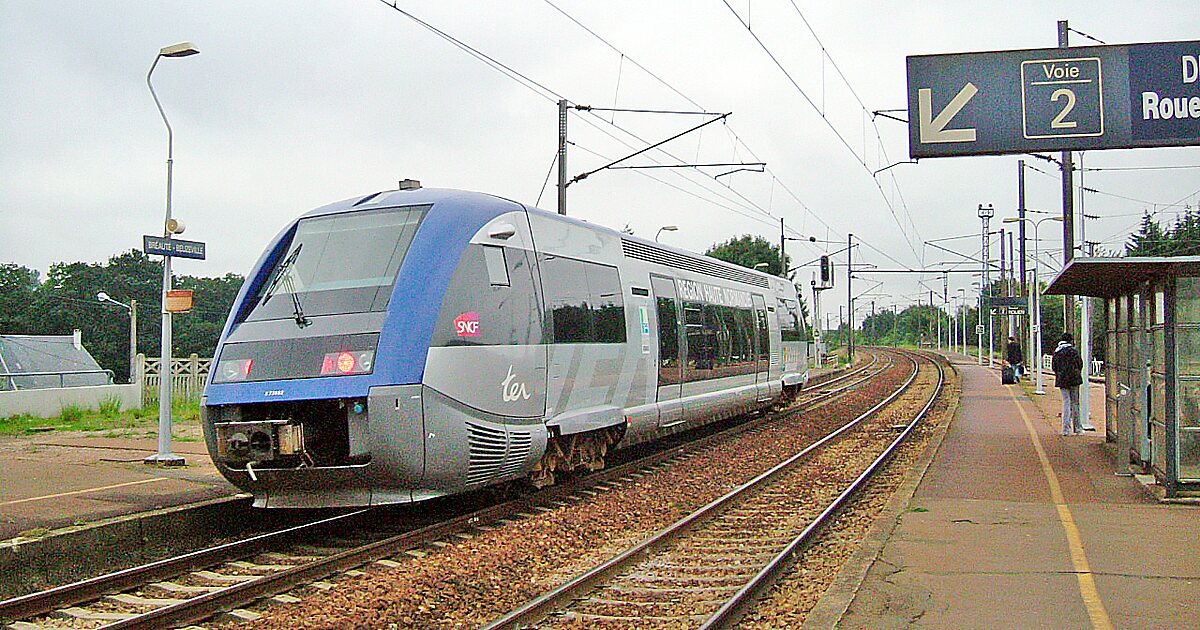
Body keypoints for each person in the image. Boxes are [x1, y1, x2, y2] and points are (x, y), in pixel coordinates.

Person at [1052, 333, 1084, 435]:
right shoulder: (1074, 351)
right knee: (1075, 403)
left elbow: (1054, 367)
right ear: (1070, 341)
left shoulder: (1057, 352)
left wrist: (1060, 374)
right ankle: (1078, 428)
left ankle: (1066, 429)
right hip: (1074, 379)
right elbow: (1080, 364)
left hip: (1062, 380)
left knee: (1066, 402)